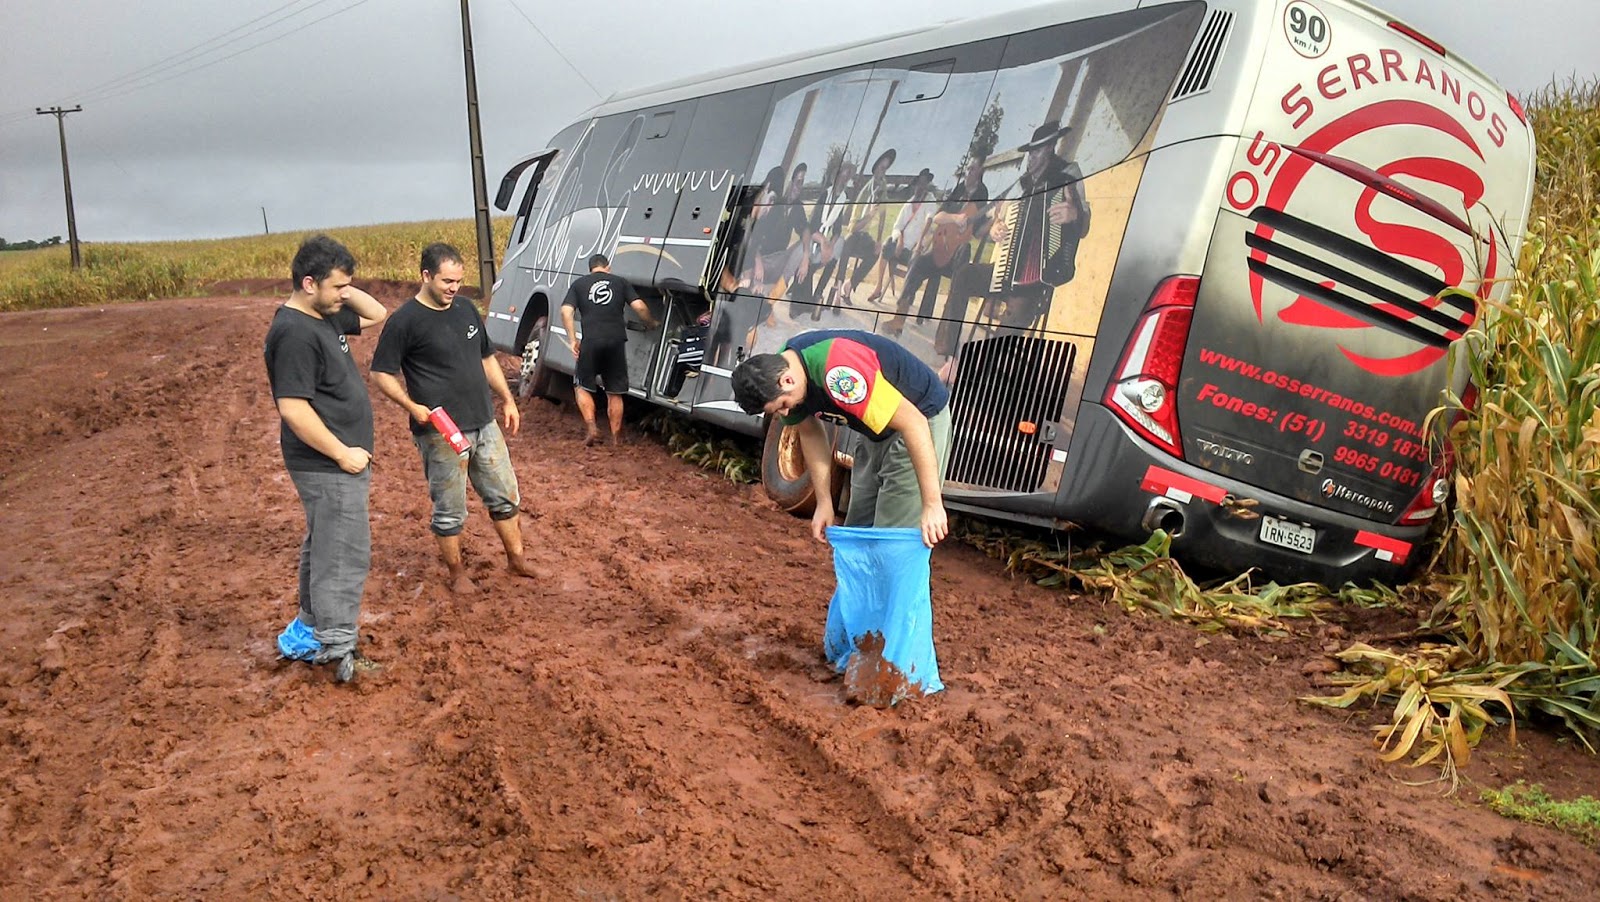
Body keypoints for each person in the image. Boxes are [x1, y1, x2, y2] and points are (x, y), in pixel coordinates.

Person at [371, 242, 539, 595]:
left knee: (505, 496)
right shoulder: (403, 322)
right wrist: (412, 407)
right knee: (450, 509)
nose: (453, 288)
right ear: (426, 276)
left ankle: (516, 559)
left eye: (458, 281)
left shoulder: (464, 309)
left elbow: (486, 358)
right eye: (446, 281)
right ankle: (457, 571)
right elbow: (381, 374)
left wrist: (508, 400)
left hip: (484, 422)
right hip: (441, 432)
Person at [263, 234, 388, 684]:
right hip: (327, 463)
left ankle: (315, 626)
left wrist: (344, 287)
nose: (344, 296)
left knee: (325, 544)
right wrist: (342, 452)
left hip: (335, 463)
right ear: (309, 283)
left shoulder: (323, 314)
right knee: (343, 554)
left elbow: (378, 314)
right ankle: (338, 651)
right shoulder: (295, 332)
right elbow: (293, 408)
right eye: (337, 287)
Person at [731, 329, 951, 547]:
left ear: (787, 380)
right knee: (856, 533)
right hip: (874, 428)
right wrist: (824, 502)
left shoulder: (838, 373)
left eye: (783, 406)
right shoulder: (783, 365)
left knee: (892, 539)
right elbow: (810, 433)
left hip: (918, 420)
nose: (786, 414)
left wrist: (931, 503)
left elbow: (914, 422)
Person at [986, 119, 1091, 331]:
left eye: (1036, 152)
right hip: (1006, 270)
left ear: (1050, 148)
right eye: (1030, 152)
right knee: (963, 277)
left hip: (1042, 275)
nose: (1030, 157)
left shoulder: (1068, 173)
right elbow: (998, 211)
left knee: (1014, 314)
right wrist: (995, 225)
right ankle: (949, 355)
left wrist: (1074, 214)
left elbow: (1085, 225)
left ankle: (987, 361)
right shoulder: (1023, 182)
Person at [560, 253, 659, 445]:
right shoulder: (620, 282)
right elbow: (639, 307)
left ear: (590, 269)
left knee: (581, 385)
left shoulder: (579, 284)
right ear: (608, 267)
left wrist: (572, 339)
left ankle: (592, 428)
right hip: (616, 341)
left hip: (590, 341)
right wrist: (651, 323)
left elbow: (566, 311)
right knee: (614, 391)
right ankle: (615, 438)